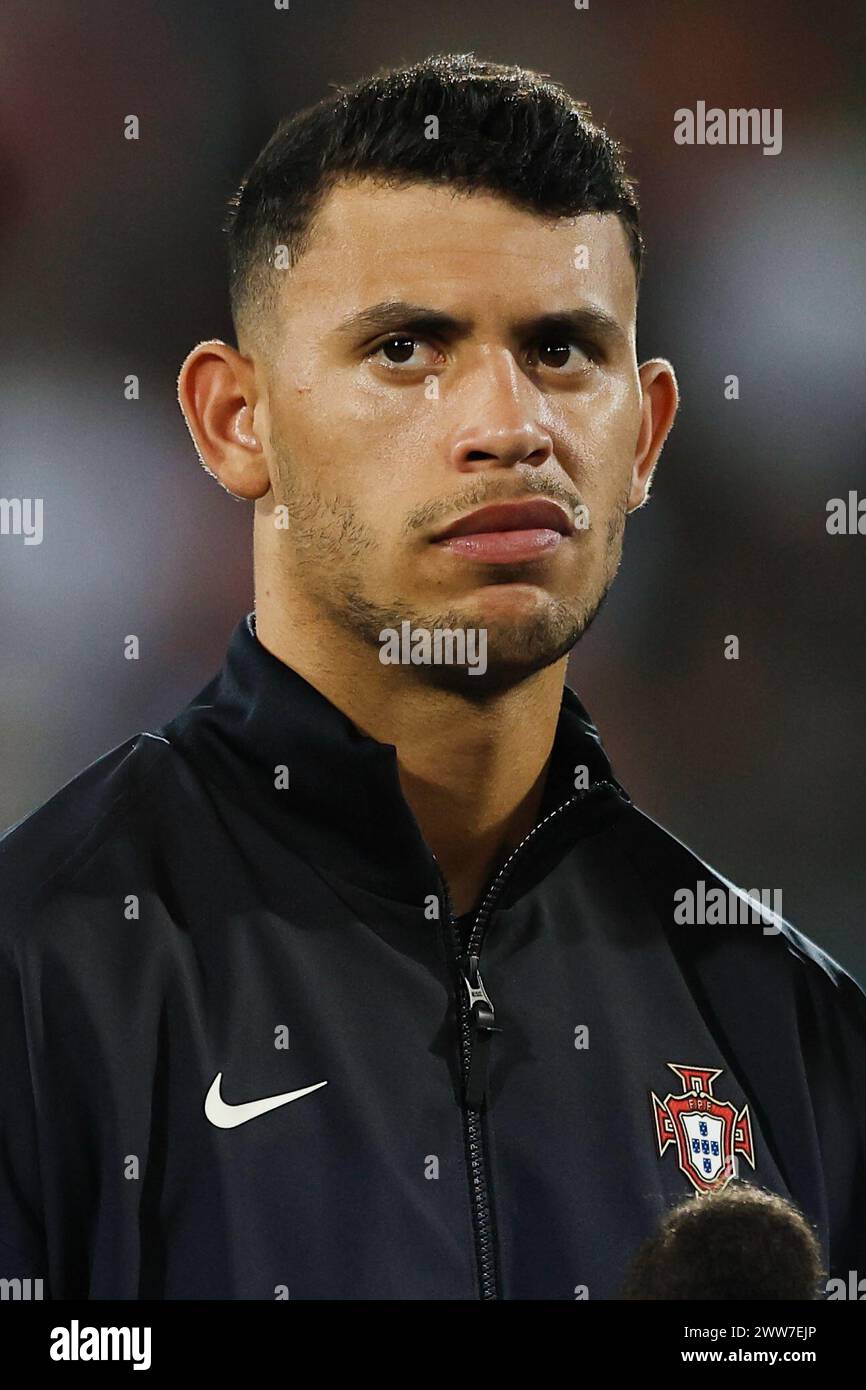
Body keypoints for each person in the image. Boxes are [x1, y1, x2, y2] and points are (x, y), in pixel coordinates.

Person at [1, 53, 864, 1301]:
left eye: (564, 349)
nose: (507, 423)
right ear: (235, 421)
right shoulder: (44, 982)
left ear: (647, 435)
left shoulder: (791, 1028)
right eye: (406, 348)